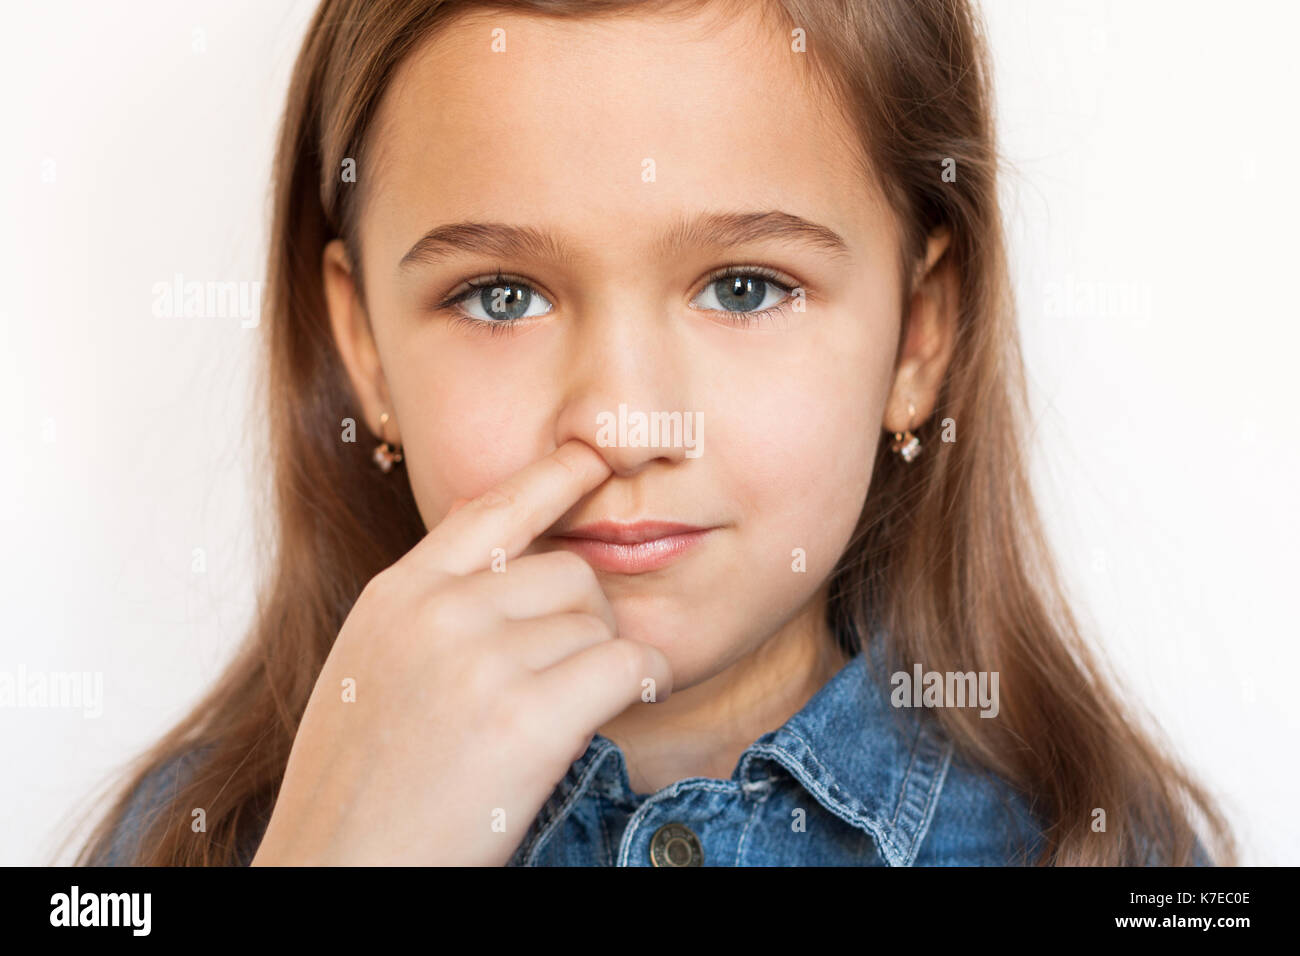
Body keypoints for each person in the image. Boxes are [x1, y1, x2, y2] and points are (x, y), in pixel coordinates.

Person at [76, 0, 1233, 866]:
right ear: (366, 351)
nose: (625, 423)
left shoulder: (1096, 846)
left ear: (918, 333)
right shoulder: (209, 837)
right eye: (501, 297)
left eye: (743, 287)